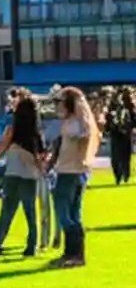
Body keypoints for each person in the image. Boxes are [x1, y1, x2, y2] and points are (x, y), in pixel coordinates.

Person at [0, 95, 46, 258]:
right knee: (30, 213)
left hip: (12, 174)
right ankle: (31, 245)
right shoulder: (36, 136)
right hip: (30, 176)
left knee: (7, 212)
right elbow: (40, 159)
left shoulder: (12, 131)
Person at [51, 86, 100, 268]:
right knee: (74, 214)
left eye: (60, 103)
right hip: (77, 172)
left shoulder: (74, 123)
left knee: (65, 214)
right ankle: (73, 254)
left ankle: (74, 254)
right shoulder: (77, 121)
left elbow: (85, 135)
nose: (57, 107)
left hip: (69, 172)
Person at [104, 88, 134, 185]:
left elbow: (133, 120)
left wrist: (128, 127)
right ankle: (118, 176)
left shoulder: (129, 108)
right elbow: (107, 123)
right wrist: (108, 129)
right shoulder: (111, 109)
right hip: (115, 135)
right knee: (115, 157)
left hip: (126, 135)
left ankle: (126, 174)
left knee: (126, 156)